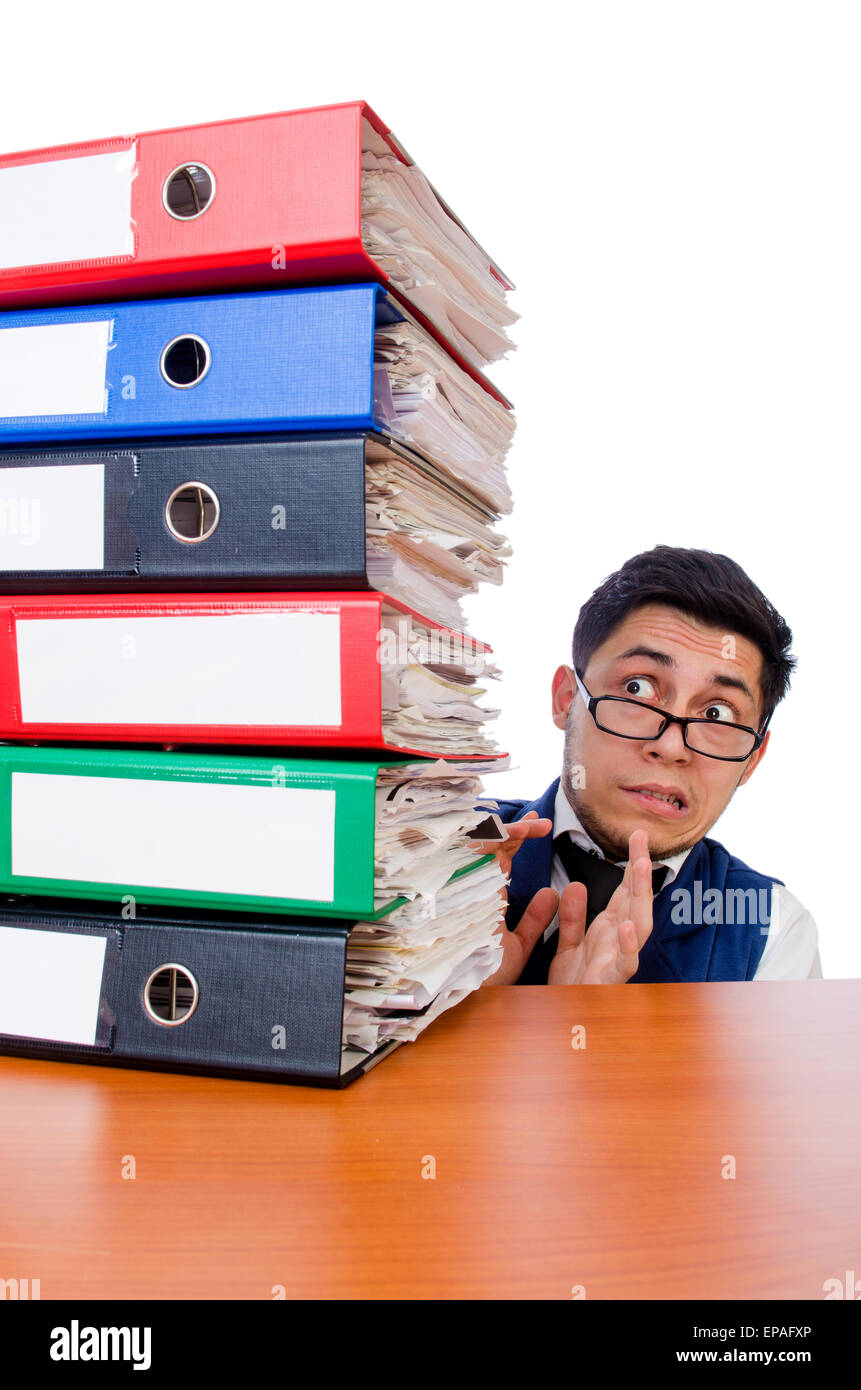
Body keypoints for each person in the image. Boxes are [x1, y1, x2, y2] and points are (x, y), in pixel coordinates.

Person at [479, 545, 822, 986]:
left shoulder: (771, 930)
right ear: (567, 699)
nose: (671, 744)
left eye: (717, 713)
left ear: (752, 760)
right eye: (638, 688)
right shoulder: (429, 847)